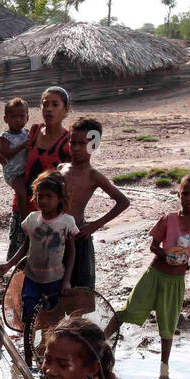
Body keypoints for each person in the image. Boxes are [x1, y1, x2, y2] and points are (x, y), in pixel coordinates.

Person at [105, 173, 190, 379]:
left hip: (175, 281)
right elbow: (153, 245)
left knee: (168, 325)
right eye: (185, 193)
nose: (189, 198)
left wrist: (188, 262)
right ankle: (100, 342)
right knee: (128, 310)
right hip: (154, 274)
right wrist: (166, 255)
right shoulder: (168, 219)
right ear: (178, 195)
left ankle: (164, 369)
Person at [1, 172, 77, 367]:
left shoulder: (66, 222)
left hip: (55, 280)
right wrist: (8, 265)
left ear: (60, 199)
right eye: (39, 196)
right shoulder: (32, 219)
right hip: (32, 279)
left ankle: (47, 360)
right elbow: (25, 247)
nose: (43, 200)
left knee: (51, 322)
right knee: (29, 321)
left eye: (49, 196)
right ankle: (27, 361)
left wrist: (67, 280)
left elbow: (71, 253)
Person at [0, 85, 72, 264]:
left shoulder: (69, 142)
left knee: (46, 268)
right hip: (23, 209)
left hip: (50, 216)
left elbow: (75, 178)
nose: (49, 109)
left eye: (55, 104)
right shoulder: (34, 131)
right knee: (18, 266)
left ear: (66, 110)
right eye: (45, 104)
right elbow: (7, 144)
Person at [59, 117, 131, 301]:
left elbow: (123, 202)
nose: (75, 148)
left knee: (80, 292)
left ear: (94, 146)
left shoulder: (93, 176)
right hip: (55, 236)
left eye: (82, 144)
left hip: (78, 237)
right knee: (54, 290)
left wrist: (95, 225)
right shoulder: (61, 168)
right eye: (72, 142)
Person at [0, 97, 31, 260]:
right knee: (21, 193)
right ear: (6, 119)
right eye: (14, 117)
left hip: (24, 171)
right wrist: (23, 146)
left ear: (27, 117)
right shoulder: (5, 137)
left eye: (22, 116)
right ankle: (24, 218)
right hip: (13, 172)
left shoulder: (27, 133)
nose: (18, 120)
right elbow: (6, 153)